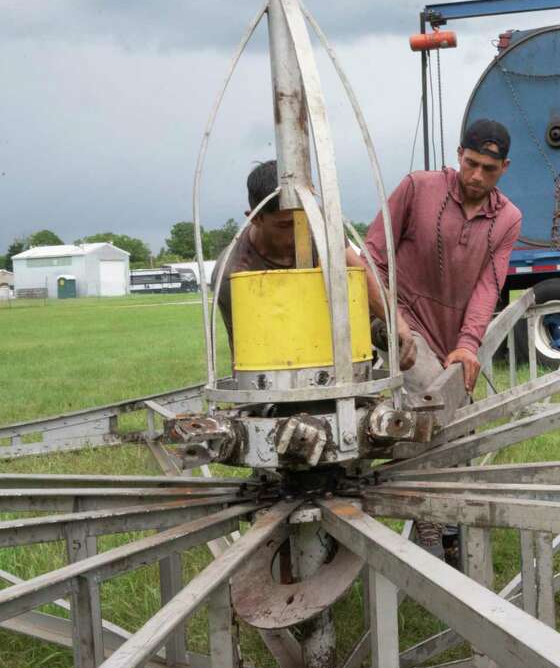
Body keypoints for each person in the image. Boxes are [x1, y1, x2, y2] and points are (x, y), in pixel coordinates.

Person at [365, 118, 522, 560]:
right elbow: (372, 255)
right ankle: (431, 528)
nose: (476, 176)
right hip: (402, 322)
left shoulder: (508, 219)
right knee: (434, 409)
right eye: (470, 164)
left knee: (462, 422)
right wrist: (391, 316)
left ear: (504, 168)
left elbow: (488, 287)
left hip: (451, 334)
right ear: (458, 155)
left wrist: (469, 344)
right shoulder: (418, 188)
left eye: (488, 169)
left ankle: (447, 521)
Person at [214, 160, 416, 369]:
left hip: (327, 342)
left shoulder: (318, 224)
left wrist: (396, 323)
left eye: (305, 220)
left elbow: (361, 273)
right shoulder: (235, 274)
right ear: (255, 219)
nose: (299, 232)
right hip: (276, 364)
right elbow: (254, 352)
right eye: (285, 225)